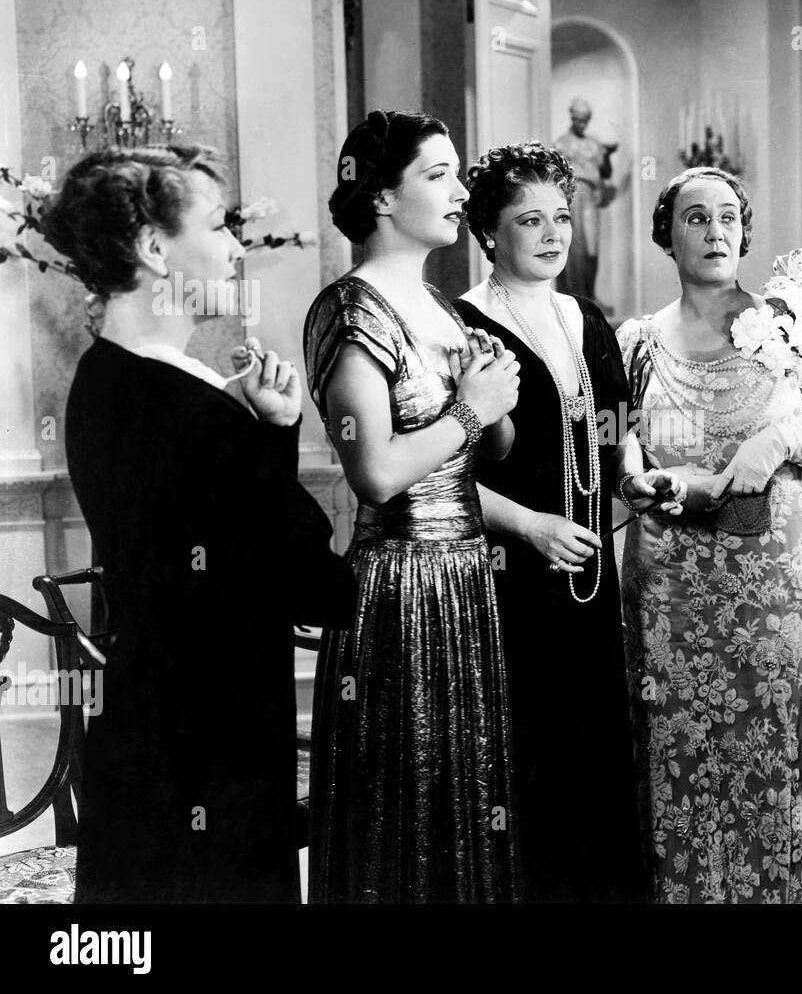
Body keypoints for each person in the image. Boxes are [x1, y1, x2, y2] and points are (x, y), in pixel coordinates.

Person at [44, 144, 356, 903]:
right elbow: (315, 589)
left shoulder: (108, 379)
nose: (234, 247)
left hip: (154, 725)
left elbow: (223, 546)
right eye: (217, 226)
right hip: (212, 743)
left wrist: (267, 431)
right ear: (154, 248)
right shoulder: (186, 408)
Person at [303, 111, 522, 903]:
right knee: (402, 790)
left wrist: (491, 402)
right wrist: (468, 409)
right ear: (384, 198)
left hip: (464, 577)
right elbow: (378, 475)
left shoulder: (443, 308)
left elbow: (485, 455)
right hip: (396, 588)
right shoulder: (350, 309)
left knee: (462, 790)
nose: (462, 191)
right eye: (439, 175)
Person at [454, 141, 677, 902]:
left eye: (561, 217)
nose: (553, 235)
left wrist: (634, 478)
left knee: (595, 756)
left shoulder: (584, 316)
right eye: (529, 220)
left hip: (590, 579)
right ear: (488, 233)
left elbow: (614, 427)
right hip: (509, 579)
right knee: (530, 761)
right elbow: (441, 479)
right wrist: (530, 527)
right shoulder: (463, 327)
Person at [619, 167, 802, 903]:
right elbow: (620, 440)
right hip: (673, 579)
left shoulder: (791, 323)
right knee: (680, 744)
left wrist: (781, 444)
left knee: (772, 745)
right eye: (694, 218)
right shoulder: (638, 341)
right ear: (667, 236)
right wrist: (633, 478)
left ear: (745, 231)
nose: (715, 231)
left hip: (776, 573)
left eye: (727, 218)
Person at [554, 98, 617, 302]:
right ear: (572, 118)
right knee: (574, 246)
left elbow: (606, 172)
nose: (582, 124)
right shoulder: (561, 144)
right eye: (578, 119)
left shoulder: (593, 143)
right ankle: (574, 296)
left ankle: (589, 295)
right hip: (572, 198)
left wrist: (607, 155)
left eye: (585, 120)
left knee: (591, 246)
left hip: (591, 198)